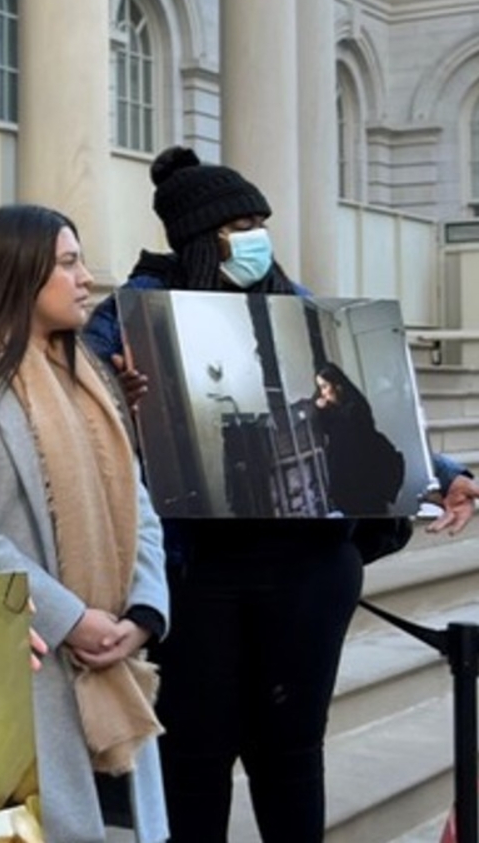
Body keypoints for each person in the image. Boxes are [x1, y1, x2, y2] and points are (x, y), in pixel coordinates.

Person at [81, 145, 459, 840]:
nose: (256, 236)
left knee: (291, 753)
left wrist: (440, 470)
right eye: (238, 224)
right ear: (199, 239)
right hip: (197, 572)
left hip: (305, 566)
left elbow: (366, 414)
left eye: (260, 219)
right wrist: (117, 391)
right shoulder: (132, 311)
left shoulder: (295, 304)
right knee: (193, 757)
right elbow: (80, 410)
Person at [0, 205, 170, 842]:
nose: (86, 279)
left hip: (113, 658)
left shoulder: (89, 380)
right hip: (21, 665)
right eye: (68, 264)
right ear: (19, 275)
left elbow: (138, 503)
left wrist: (144, 615)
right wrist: (70, 618)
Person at [312, 361, 404, 516]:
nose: (323, 393)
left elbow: (349, 434)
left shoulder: (355, 406)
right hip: (350, 477)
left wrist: (327, 411)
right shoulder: (336, 409)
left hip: (363, 476)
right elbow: (330, 431)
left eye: (325, 386)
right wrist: (323, 411)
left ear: (337, 386)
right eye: (320, 388)